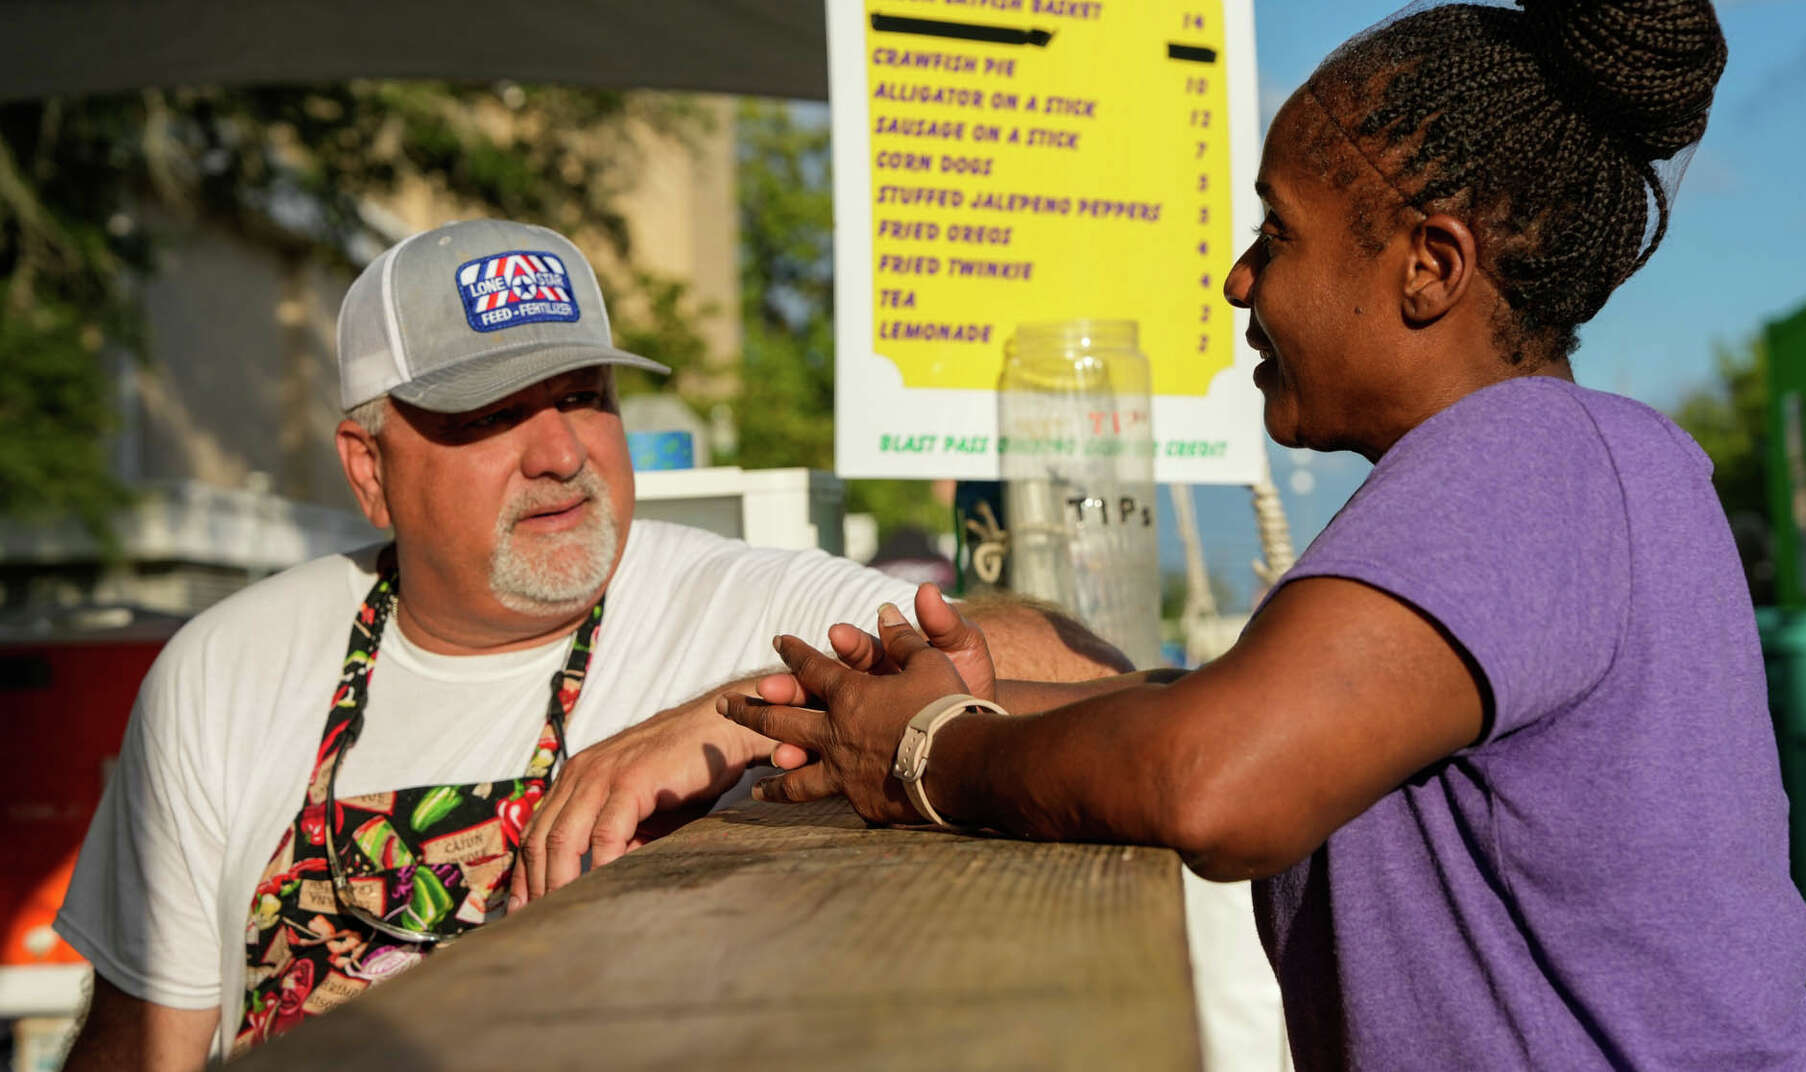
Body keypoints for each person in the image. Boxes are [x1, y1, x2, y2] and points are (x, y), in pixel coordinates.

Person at [721, 0, 1806, 1070]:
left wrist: (931, 754)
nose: (1238, 280)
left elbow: (1217, 774)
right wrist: (945, 700)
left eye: (1278, 231)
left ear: (1429, 265)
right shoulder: (1591, 465)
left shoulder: (1526, 456)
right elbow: (1221, 706)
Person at [55, 218, 1123, 1069]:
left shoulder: (751, 611)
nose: (561, 452)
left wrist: (718, 714)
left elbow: (1084, 664)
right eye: (490, 414)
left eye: (584, 397)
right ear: (369, 465)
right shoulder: (223, 671)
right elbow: (142, 1040)